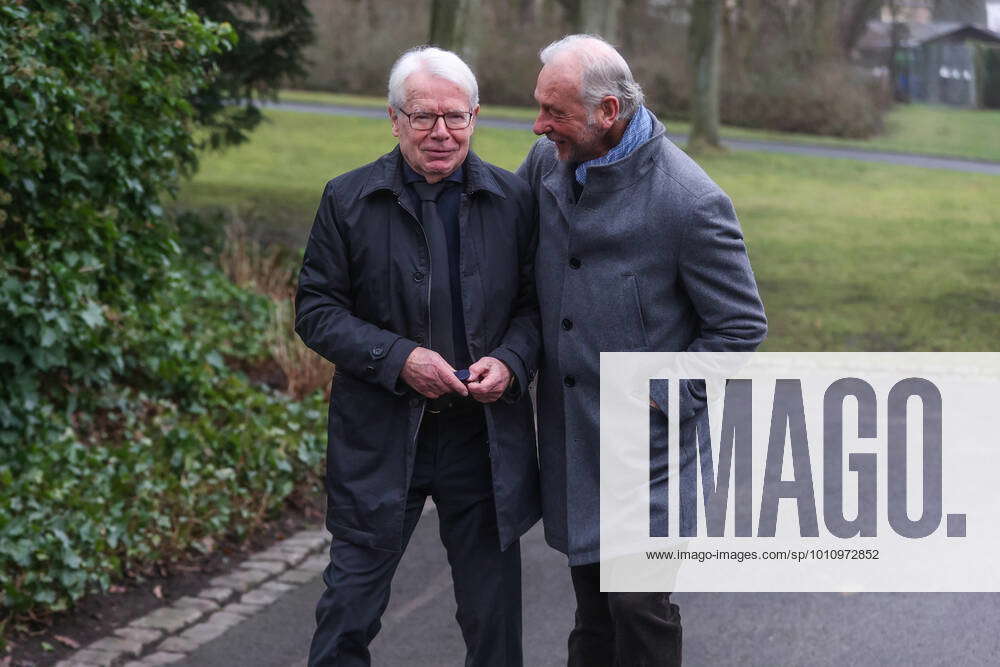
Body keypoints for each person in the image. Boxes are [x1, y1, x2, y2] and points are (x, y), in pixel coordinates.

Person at [517, 34, 768, 666]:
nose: (540, 124)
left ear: (608, 113)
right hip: (575, 441)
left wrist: (660, 397)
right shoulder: (546, 163)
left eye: (556, 112)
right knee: (594, 615)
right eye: (540, 106)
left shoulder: (690, 201)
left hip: (652, 457)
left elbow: (739, 327)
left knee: (636, 605)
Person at [295, 45, 541, 667]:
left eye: (455, 117)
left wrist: (511, 360)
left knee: (494, 624)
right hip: (380, 433)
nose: (441, 133)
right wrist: (399, 357)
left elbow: (539, 309)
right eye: (424, 117)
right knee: (347, 611)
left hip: (480, 439)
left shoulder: (514, 202)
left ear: (476, 116)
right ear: (394, 118)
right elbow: (316, 311)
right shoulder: (348, 199)